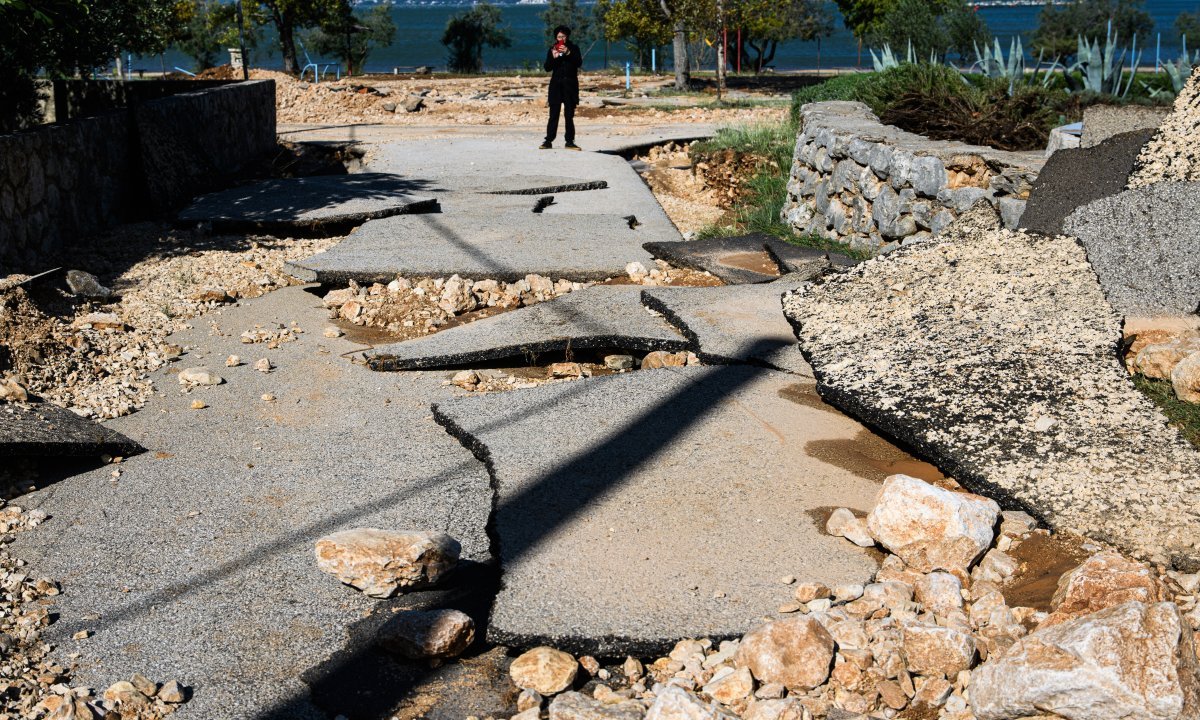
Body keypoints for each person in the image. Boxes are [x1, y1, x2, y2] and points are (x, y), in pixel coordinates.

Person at [540, 25, 582, 150]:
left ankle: (569, 141)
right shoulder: (552, 49)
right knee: (553, 114)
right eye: (559, 37)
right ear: (556, 37)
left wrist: (568, 53)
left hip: (570, 85)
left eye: (563, 36)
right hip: (556, 86)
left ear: (567, 37)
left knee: (569, 114)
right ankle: (548, 141)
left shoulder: (574, 48)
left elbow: (579, 63)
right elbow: (547, 67)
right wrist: (554, 58)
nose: (561, 39)